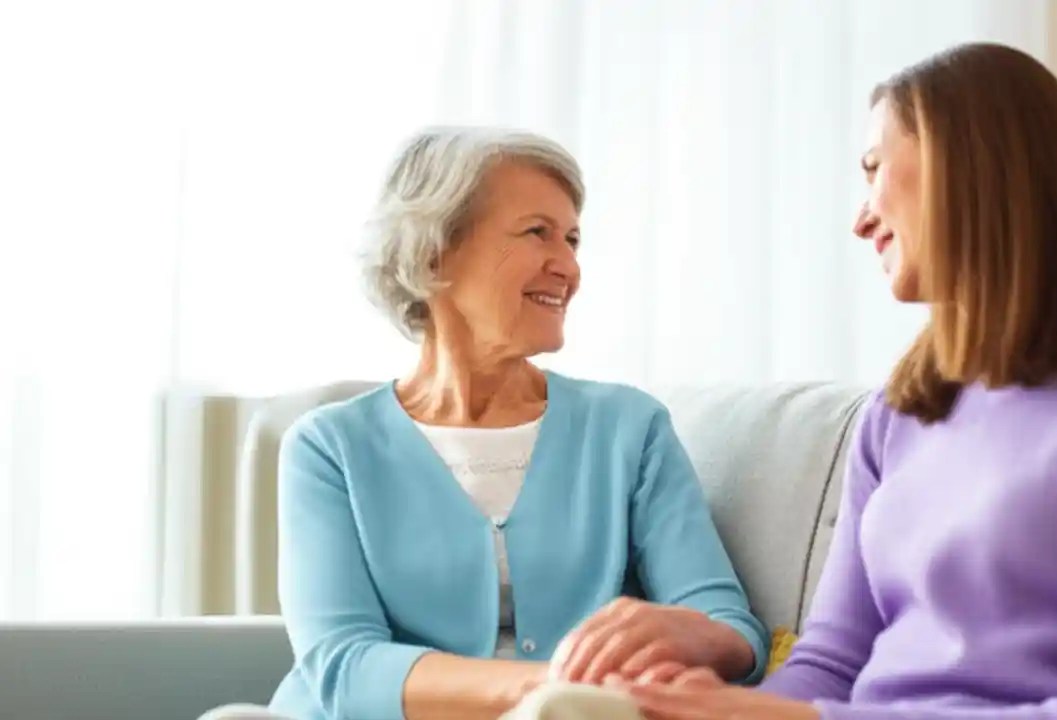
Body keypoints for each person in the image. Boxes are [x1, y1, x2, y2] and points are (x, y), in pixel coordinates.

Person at [619, 42, 1057, 719]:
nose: (861, 220)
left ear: (966, 163)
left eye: (874, 168)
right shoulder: (900, 413)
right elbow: (830, 662)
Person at [220, 128, 767, 720]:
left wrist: (692, 636)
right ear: (435, 252)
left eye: (574, 240)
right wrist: (549, 689)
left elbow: (732, 629)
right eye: (539, 233)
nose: (569, 268)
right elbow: (342, 668)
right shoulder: (330, 447)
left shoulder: (628, 429)